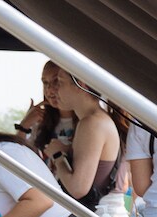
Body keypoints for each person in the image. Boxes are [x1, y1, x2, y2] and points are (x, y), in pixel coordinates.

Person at [38, 70, 130, 207]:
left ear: (80, 85)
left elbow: (78, 189)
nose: (55, 90)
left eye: (60, 82)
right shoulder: (94, 120)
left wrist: (57, 155)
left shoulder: (92, 123)